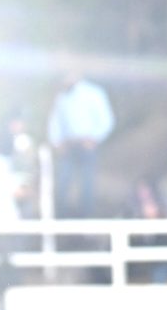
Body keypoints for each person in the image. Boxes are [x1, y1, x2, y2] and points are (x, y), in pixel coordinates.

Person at [45, 69, 115, 218]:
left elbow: (106, 120)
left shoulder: (93, 93)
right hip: (69, 146)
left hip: (86, 145)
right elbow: (55, 122)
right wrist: (57, 142)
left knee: (87, 184)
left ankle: (86, 220)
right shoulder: (62, 97)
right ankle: (61, 220)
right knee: (63, 183)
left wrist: (94, 138)